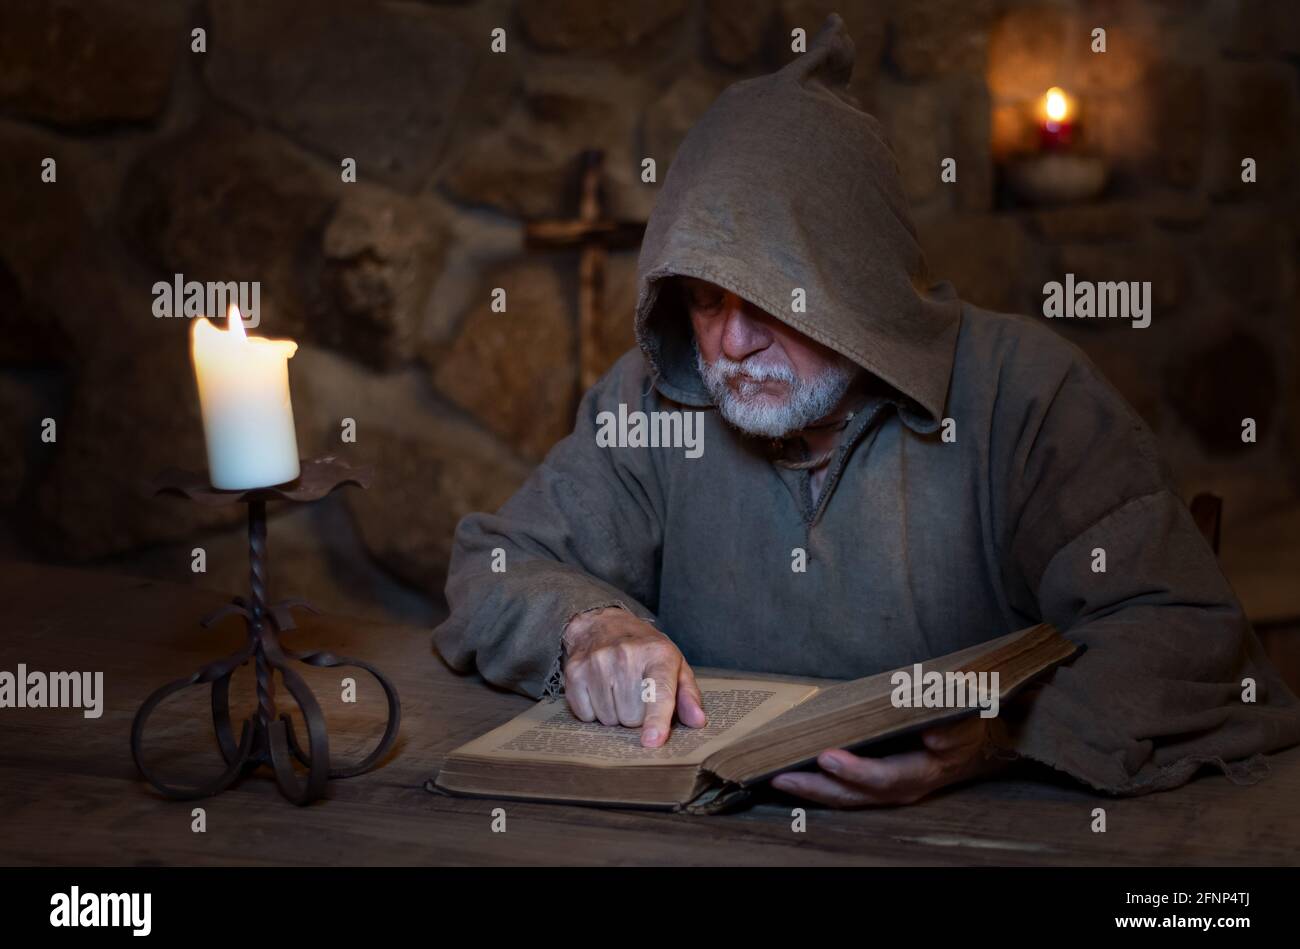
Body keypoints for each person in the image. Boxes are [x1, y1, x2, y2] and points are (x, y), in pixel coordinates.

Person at [432, 15, 1300, 807]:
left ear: (858, 283)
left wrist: (997, 741)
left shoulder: (1027, 393)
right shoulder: (651, 400)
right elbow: (498, 563)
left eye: (770, 301)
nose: (729, 345)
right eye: (701, 300)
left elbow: (1180, 629)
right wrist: (590, 626)